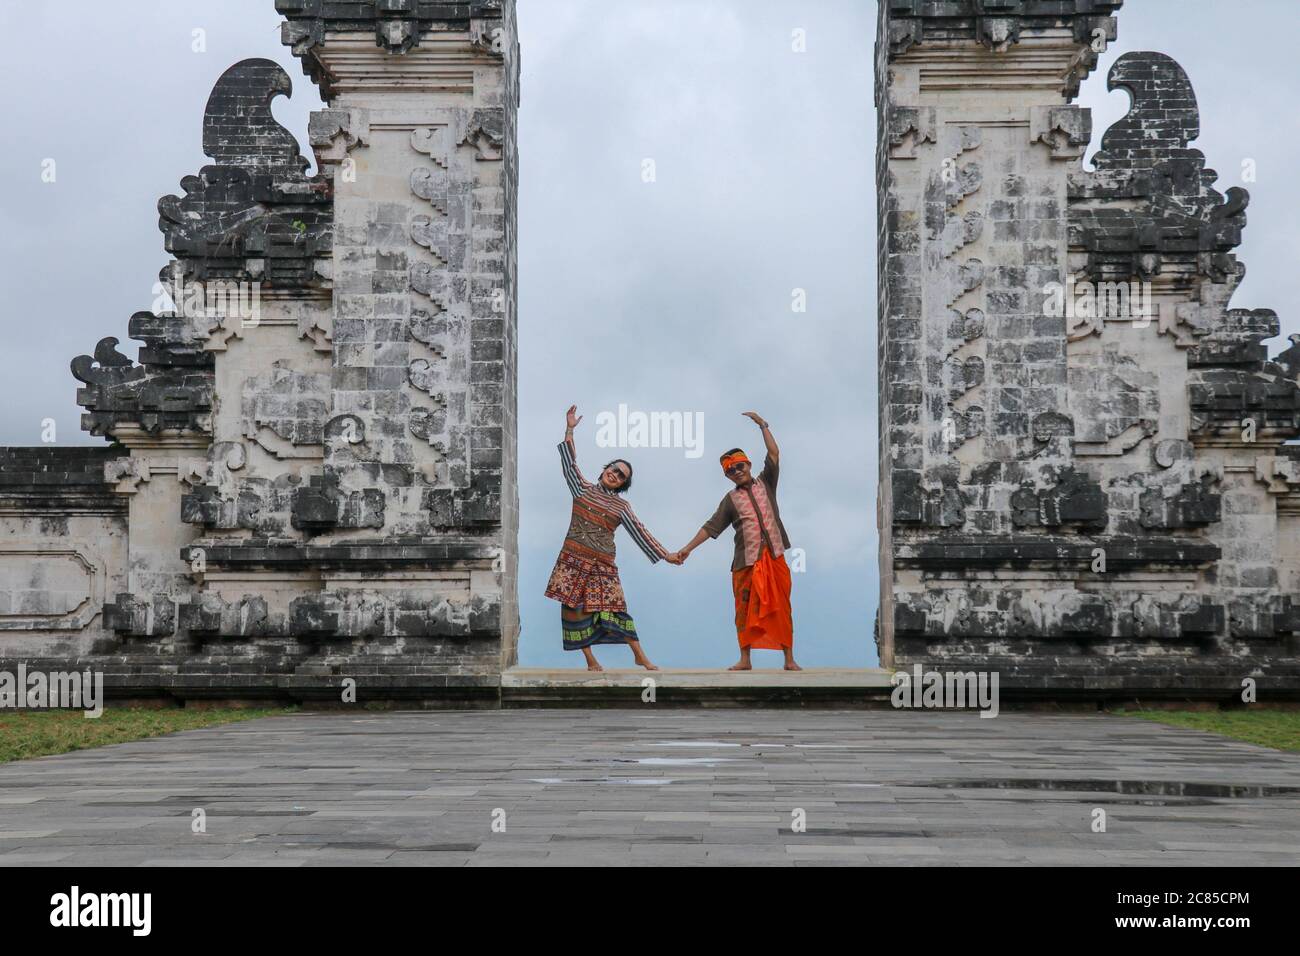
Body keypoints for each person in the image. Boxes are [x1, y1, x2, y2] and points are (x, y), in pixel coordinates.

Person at [545, 405, 682, 671]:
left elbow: (641, 532)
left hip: (603, 563)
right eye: (614, 469)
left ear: (622, 485)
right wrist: (570, 429)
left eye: (621, 476)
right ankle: (591, 662)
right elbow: (569, 463)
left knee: (615, 608)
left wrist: (667, 554)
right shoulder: (581, 489)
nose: (615, 474)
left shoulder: (622, 508)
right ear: (605, 469)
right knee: (572, 611)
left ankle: (639, 655)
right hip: (573, 560)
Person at [675, 412, 800, 671]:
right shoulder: (730, 500)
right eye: (730, 470)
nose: (736, 472)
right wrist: (686, 549)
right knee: (743, 610)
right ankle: (745, 659)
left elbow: (775, 454)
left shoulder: (766, 483)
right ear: (727, 475)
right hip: (746, 563)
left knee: (782, 606)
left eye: (739, 466)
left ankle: (789, 659)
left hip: (774, 557)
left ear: (748, 465)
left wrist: (763, 426)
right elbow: (711, 527)